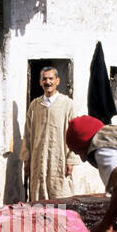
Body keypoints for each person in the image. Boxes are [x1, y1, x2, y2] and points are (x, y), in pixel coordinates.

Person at [20, 66, 84, 202]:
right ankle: (40, 222)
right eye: (44, 79)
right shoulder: (35, 105)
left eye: (51, 78)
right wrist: (27, 159)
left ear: (58, 81)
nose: (47, 82)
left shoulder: (67, 104)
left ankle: (61, 222)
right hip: (38, 160)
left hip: (59, 159)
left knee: (60, 193)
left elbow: (75, 132)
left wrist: (70, 160)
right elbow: (28, 134)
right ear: (40, 82)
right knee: (38, 195)